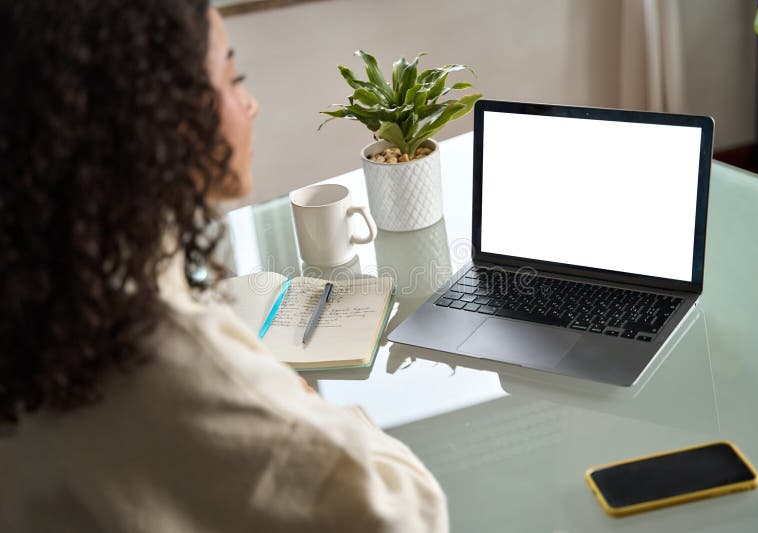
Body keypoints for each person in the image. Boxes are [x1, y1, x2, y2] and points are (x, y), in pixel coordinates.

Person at [0, 1, 448, 531]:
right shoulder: (160, 353)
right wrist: (301, 404)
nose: (250, 104)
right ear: (160, 119)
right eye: (233, 79)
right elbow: (408, 515)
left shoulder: (40, 291)